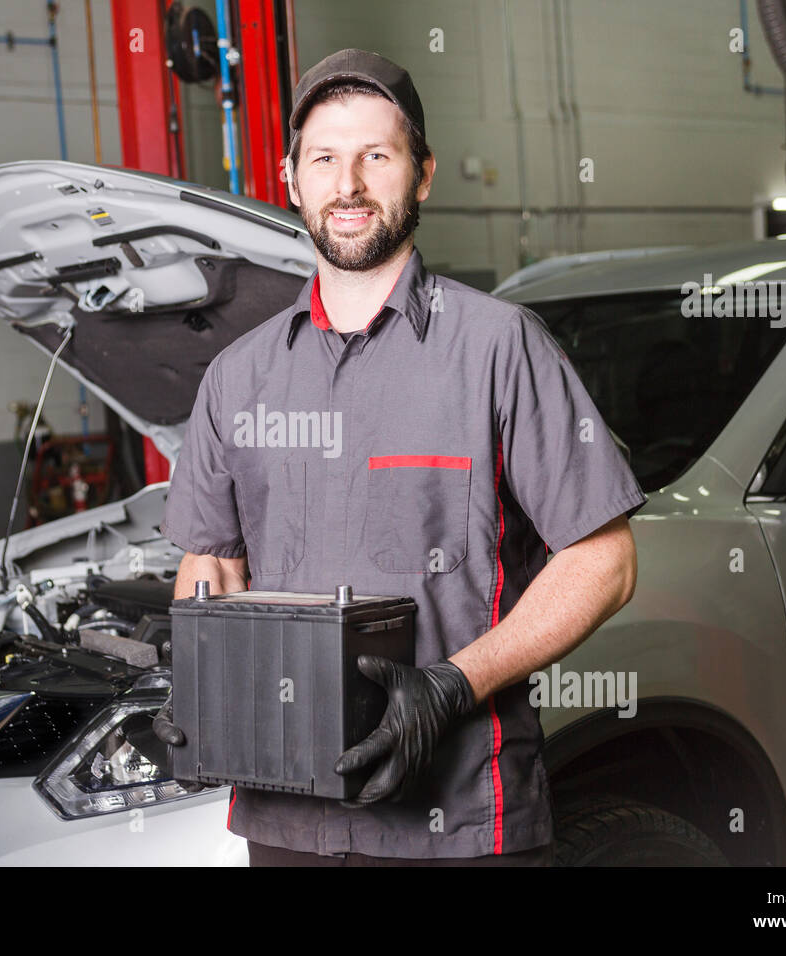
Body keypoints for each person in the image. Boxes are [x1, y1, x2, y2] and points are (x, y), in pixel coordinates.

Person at [156, 48, 646, 866]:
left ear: (421, 177)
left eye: (376, 156)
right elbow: (212, 563)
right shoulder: (238, 377)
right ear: (291, 179)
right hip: (287, 819)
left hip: (457, 817)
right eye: (324, 159)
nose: (347, 184)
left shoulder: (500, 348)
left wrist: (453, 683)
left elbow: (606, 561)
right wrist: (202, 683)